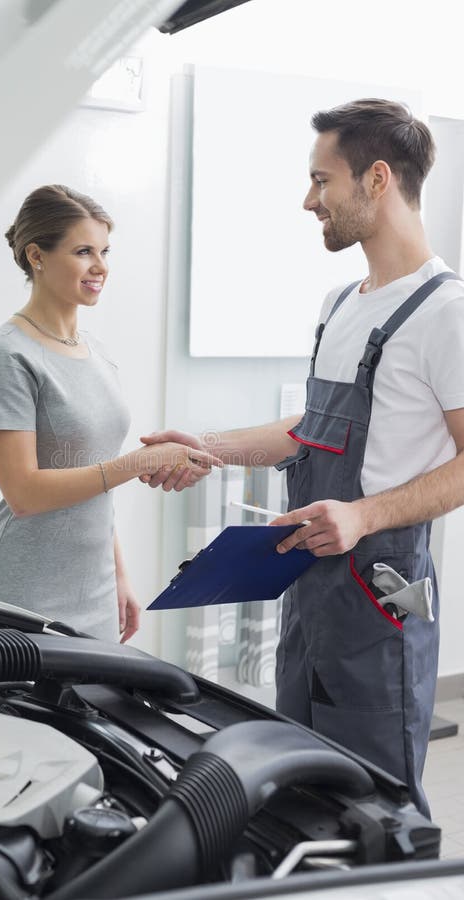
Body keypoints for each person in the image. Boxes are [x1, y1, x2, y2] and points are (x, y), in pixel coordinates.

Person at [141, 99, 464, 817]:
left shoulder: (449, 312)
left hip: (380, 601)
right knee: (302, 790)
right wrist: (212, 447)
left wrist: (364, 513)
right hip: (309, 590)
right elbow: (313, 429)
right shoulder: (341, 300)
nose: (308, 200)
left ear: (376, 179)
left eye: (322, 180)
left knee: (375, 808)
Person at [0, 184, 219, 643]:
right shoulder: (8, 356)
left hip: (94, 581)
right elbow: (24, 493)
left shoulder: (96, 354)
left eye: (104, 251)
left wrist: (118, 574)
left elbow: (93, 486)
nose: (101, 267)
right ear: (36, 256)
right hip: (26, 585)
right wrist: (140, 461)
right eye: (83, 251)